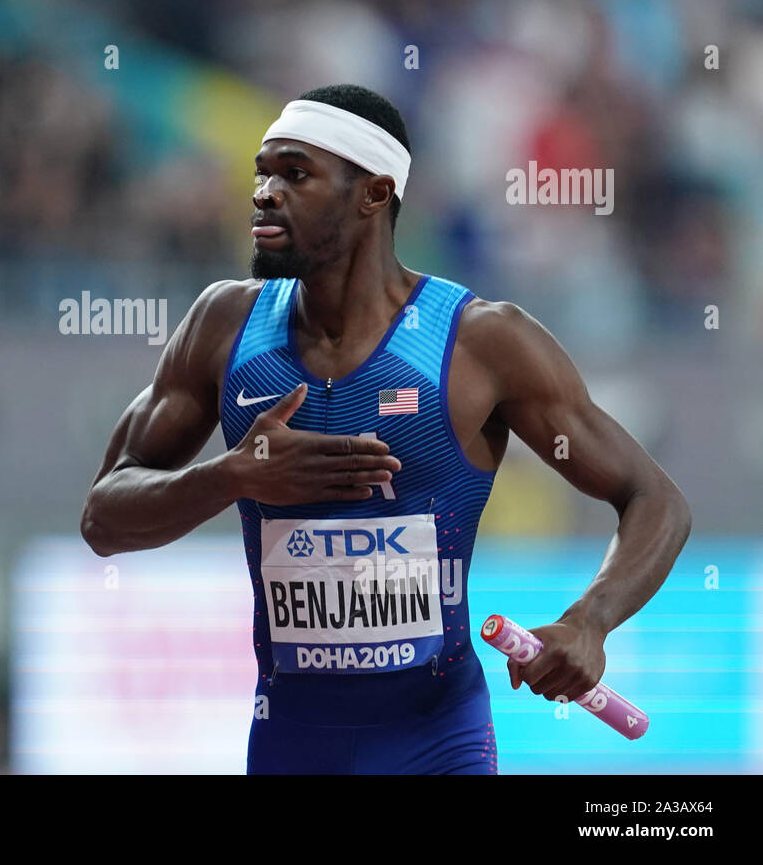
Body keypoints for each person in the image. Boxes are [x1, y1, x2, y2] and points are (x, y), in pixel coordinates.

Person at [79, 84, 691, 774]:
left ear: (372, 193)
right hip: (290, 744)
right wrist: (231, 475)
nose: (263, 192)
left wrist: (591, 619)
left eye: (295, 173)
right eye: (262, 171)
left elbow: (654, 498)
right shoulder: (223, 326)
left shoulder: (480, 343)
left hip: (437, 742)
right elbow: (104, 518)